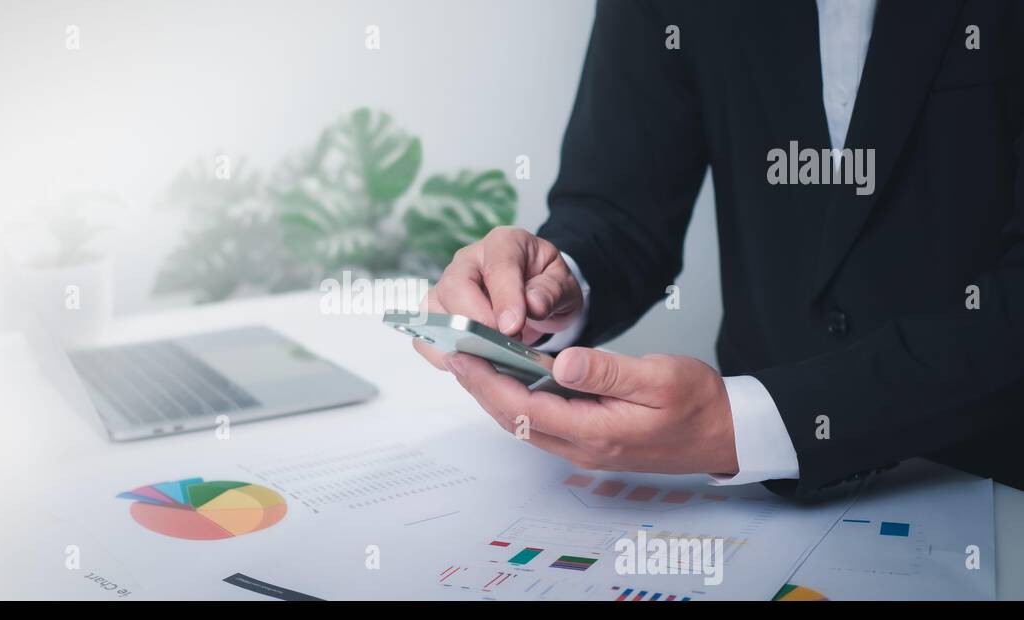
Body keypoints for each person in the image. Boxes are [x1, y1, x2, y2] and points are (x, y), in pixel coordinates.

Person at [414, 0, 1024, 497]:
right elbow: (619, 207)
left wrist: (747, 423)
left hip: (992, 480)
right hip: (760, 501)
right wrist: (551, 282)